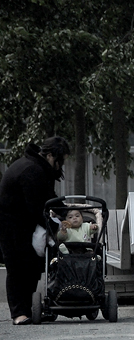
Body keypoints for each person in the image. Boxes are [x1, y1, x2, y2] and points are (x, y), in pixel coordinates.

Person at [0, 136, 70, 325]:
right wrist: (58, 225)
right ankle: (19, 314)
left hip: (20, 224)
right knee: (17, 268)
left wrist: (68, 213)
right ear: (49, 155)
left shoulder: (37, 167)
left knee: (30, 266)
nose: (60, 165)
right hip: (12, 225)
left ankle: (27, 310)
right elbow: (37, 207)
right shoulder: (32, 171)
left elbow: (49, 198)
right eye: (60, 160)